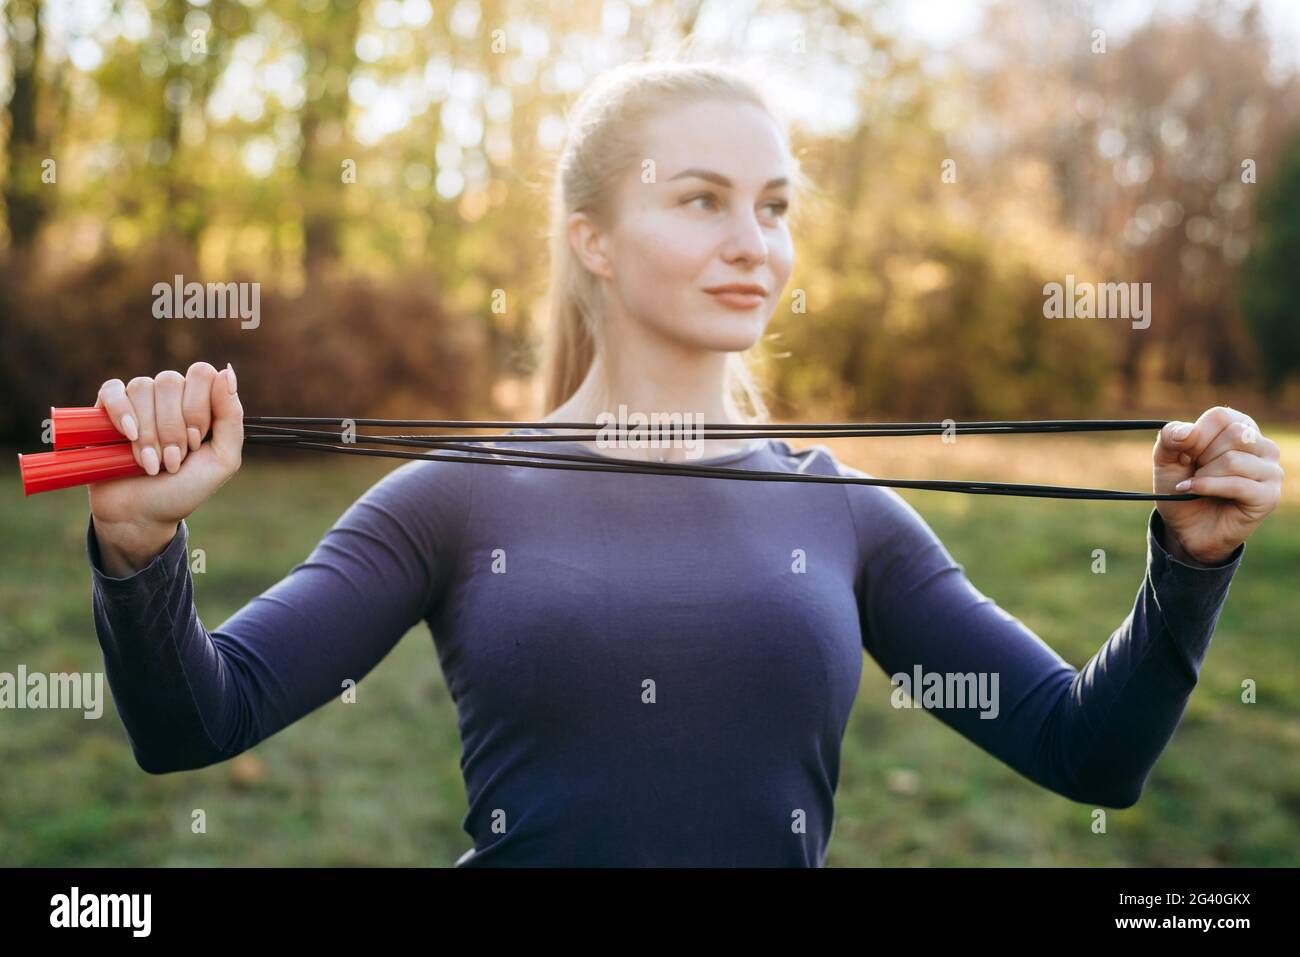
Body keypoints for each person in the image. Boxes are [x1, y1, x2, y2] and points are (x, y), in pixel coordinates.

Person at [84, 60, 1283, 867]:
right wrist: (139, 550)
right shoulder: (449, 497)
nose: (752, 243)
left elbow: (1087, 752)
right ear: (591, 239)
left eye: (773, 206)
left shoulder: (845, 510)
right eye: (702, 201)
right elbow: (197, 723)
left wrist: (1187, 563)